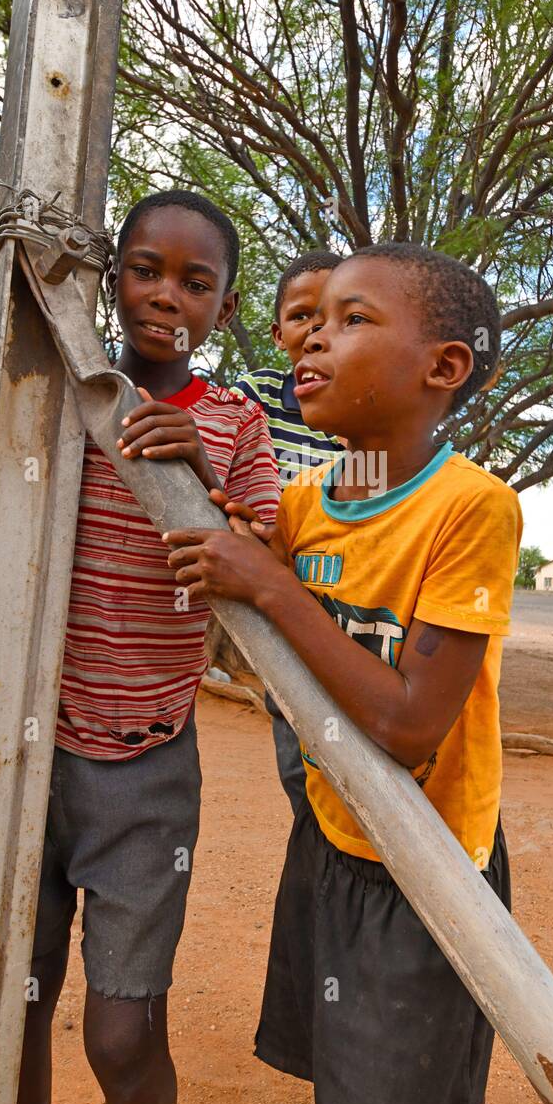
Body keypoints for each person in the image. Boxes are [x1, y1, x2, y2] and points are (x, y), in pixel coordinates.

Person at [0, 189, 279, 1104]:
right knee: (14, 1004)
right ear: (111, 280)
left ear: (223, 309)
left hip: (147, 768)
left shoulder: (233, 424)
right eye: (145, 271)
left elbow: (267, 562)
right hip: (18, 754)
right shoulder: (34, 384)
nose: (165, 296)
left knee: (121, 1030)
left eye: (195, 284)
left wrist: (194, 464)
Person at [162, 242, 523, 1104]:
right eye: (310, 324)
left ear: (444, 366)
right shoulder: (305, 503)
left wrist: (275, 585)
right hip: (332, 838)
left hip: (425, 860)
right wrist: (205, 485)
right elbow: (271, 635)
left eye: (351, 321)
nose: (310, 344)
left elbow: (408, 729)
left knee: (395, 1097)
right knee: (346, 1079)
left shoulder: (472, 507)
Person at [232, 250, 344, 813]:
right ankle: (315, 842)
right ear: (278, 334)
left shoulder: (360, 415)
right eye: (304, 316)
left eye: (342, 316)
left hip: (348, 606)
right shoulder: (254, 399)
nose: (320, 330)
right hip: (281, 609)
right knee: (299, 754)